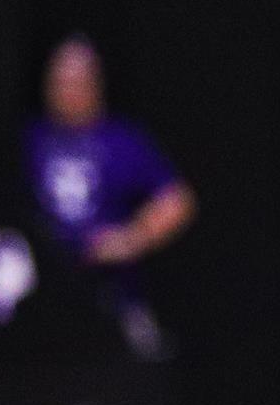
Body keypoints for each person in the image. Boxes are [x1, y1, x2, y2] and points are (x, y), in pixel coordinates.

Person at [22, 35, 195, 358]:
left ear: (94, 83)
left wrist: (132, 237)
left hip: (110, 296)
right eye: (57, 81)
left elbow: (176, 200)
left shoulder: (121, 139)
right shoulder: (29, 140)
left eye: (74, 81)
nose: (64, 90)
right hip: (42, 300)